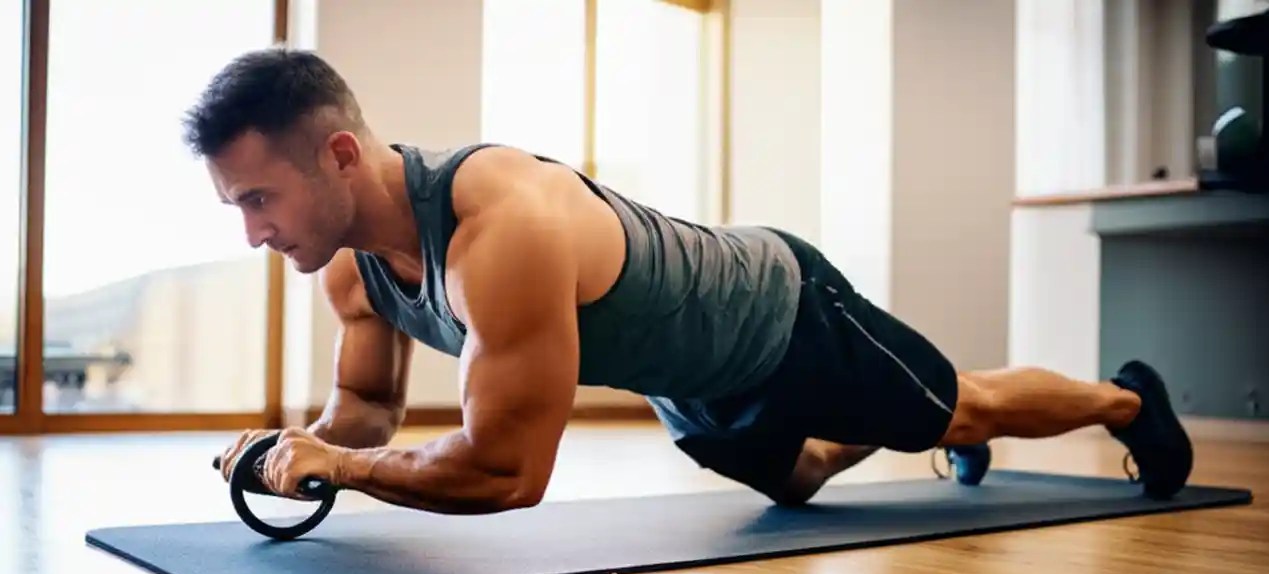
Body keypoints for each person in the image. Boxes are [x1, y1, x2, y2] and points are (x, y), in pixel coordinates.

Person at [196, 48, 1192, 513]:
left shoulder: (500, 223)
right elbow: (365, 409)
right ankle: (886, 419)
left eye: (256, 200)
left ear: (335, 155)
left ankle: (1124, 401)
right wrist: (301, 450)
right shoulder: (353, 279)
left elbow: (508, 473)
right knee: (796, 482)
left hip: (781, 309)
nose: (252, 234)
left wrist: (352, 472)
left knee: (962, 411)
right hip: (693, 375)